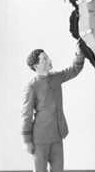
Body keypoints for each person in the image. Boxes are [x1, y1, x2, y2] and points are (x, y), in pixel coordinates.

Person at [21, 40, 85, 172]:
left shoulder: (56, 77)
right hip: (40, 139)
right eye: (45, 59)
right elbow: (26, 115)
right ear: (36, 65)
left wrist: (79, 53)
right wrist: (27, 141)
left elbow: (74, 70)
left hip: (57, 135)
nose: (49, 60)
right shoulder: (32, 86)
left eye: (48, 57)